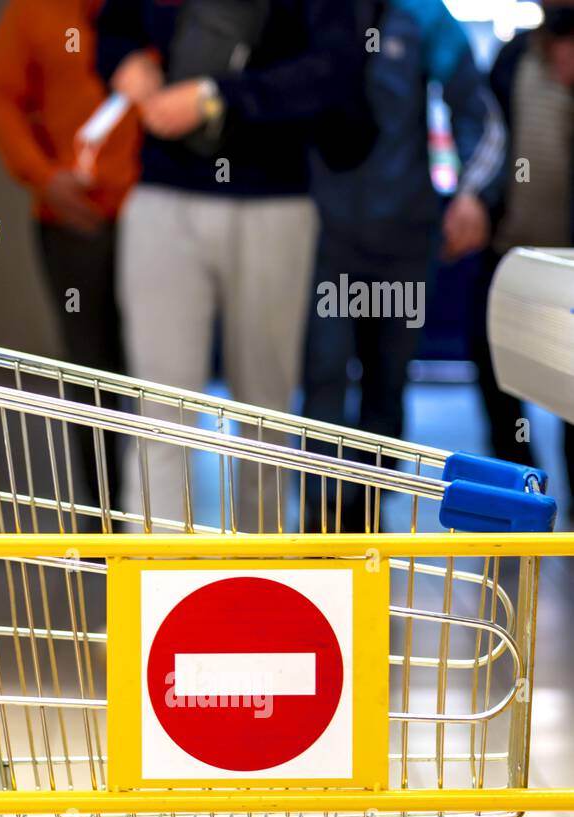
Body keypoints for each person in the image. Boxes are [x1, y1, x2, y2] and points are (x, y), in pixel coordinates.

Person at [96, 0, 367, 531]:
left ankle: (259, 580)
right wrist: (122, 60)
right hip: (163, 196)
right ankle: (152, 591)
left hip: (273, 199)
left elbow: (335, 70)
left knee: (264, 413)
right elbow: (111, 27)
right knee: (158, 410)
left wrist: (217, 97)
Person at [302, 0, 505, 531]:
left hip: (403, 239)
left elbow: (476, 112)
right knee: (323, 374)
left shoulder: (423, 14)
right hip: (322, 235)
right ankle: (323, 516)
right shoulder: (309, 10)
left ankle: (368, 517)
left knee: (387, 381)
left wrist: (472, 194)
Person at [0, 0, 139, 504]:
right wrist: (44, 177)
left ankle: (155, 510)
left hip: (161, 214)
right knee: (90, 368)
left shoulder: (160, 9)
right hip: (73, 220)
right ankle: (104, 517)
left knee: (162, 366)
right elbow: (0, 97)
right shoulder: (36, 10)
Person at [472, 2, 574, 498]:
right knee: (495, 364)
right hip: (510, 250)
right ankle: (523, 487)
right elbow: (491, 137)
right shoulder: (515, 55)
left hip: (568, 260)